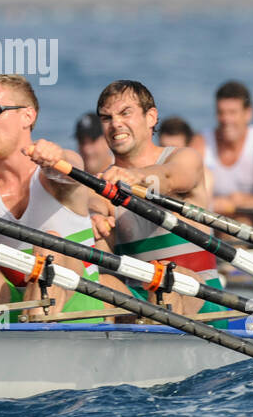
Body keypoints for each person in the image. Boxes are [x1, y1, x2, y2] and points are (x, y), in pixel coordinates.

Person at [0, 75, 128, 319]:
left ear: (27, 116)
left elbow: (71, 169)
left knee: (49, 243)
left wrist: (56, 158)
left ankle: (35, 329)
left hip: (80, 302)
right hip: (14, 304)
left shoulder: (56, 170)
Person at [85, 79, 224, 316]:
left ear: (151, 117)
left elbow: (169, 177)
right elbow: (102, 262)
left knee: (164, 279)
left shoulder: (184, 158)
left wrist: (135, 177)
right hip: (139, 299)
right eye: (107, 118)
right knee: (98, 286)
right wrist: (93, 227)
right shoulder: (100, 188)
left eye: (125, 113)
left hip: (202, 296)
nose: (115, 123)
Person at [201, 81, 253, 217]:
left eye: (232, 113)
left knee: (242, 221)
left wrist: (238, 204)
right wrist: (214, 204)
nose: (226, 119)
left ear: (248, 113)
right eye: (221, 113)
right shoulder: (200, 143)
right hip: (212, 216)